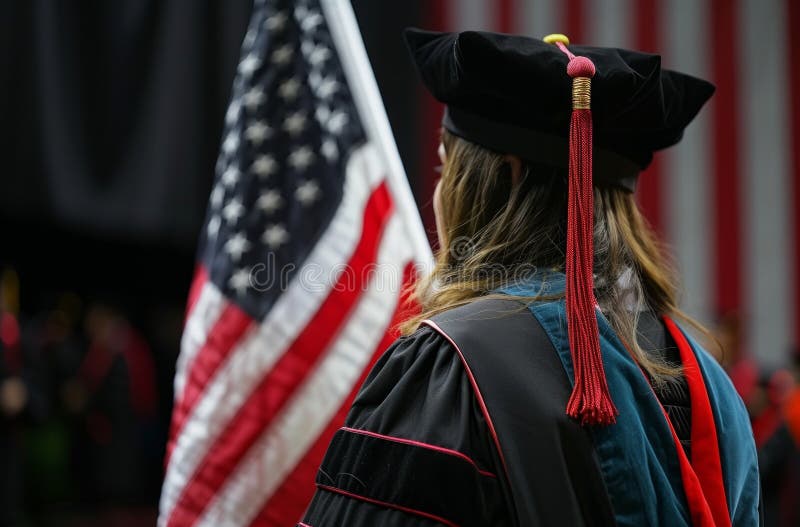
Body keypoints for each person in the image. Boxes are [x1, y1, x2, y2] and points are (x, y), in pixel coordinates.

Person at [299, 29, 761, 526]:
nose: (436, 197)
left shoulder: (456, 364)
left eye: (443, 169)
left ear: (503, 176)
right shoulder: (709, 383)